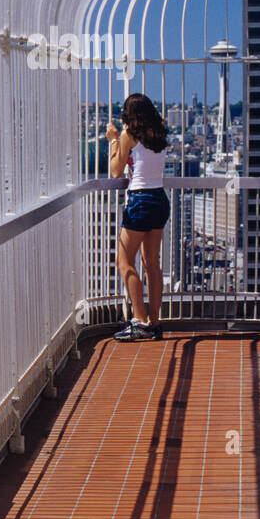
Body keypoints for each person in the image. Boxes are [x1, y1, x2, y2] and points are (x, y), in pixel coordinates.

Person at [106, 93, 170, 341]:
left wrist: (113, 140)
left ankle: (140, 322)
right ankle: (154, 322)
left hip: (140, 201)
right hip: (159, 199)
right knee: (151, 264)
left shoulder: (128, 136)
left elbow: (115, 171)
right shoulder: (160, 134)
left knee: (124, 262)